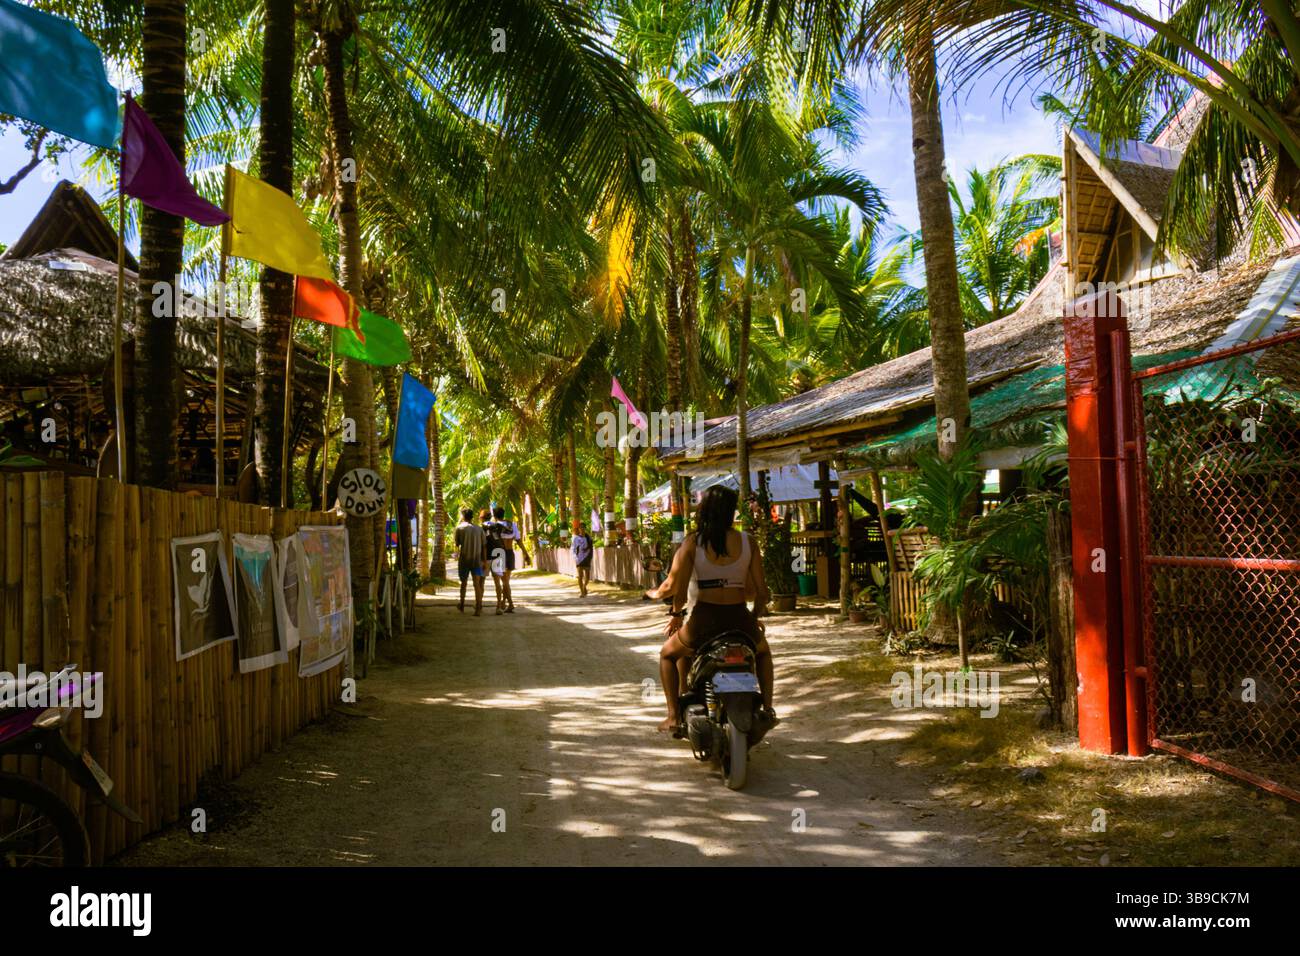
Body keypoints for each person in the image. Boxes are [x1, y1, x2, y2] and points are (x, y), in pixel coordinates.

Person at [654, 485, 776, 734]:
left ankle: (673, 716)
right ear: (731, 512)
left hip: (705, 621)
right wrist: (754, 618)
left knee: (667, 655)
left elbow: (677, 587)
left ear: (704, 510)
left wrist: (676, 615)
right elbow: (760, 592)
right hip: (740, 619)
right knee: (763, 654)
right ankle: (767, 709)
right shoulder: (748, 542)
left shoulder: (692, 543)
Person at [454, 508, 487, 615]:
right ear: (472, 516)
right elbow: (484, 546)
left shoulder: (459, 528)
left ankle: (462, 605)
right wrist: (485, 561)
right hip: (477, 561)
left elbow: (457, 544)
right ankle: (478, 608)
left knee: (463, 583)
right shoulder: (479, 529)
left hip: (464, 560)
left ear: (463, 516)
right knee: (477, 584)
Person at [491, 506, 520, 613]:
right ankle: (504, 602)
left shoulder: (494, 526)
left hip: (500, 553)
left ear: (494, 515)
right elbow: (518, 540)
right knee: (506, 581)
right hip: (510, 553)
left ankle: (510, 603)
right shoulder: (512, 525)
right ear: (503, 514)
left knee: (504, 582)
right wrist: (525, 553)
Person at [481, 508, 507, 615]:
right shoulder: (497, 526)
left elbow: (484, 545)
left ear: (481, 518)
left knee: (481, 581)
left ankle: (479, 604)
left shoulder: (482, 527)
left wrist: (483, 559)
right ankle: (498, 606)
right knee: (497, 582)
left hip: (487, 556)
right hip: (498, 553)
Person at [572, 521, 593, 597]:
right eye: (581, 528)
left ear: (585, 528)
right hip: (579, 559)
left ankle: (584, 587)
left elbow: (591, 549)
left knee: (587, 577)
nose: (582, 529)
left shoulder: (588, 538)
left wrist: (590, 557)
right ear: (579, 529)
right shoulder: (576, 538)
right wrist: (575, 558)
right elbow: (573, 549)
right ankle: (582, 592)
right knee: (580, 576)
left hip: (587, 558)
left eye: (583, 528)